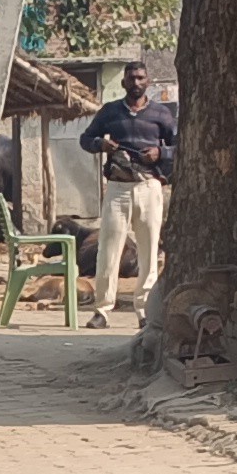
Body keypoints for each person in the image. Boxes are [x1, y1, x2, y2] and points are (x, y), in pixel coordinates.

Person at [78, 62, 175, 330]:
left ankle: (145, 311)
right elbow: (85, 139)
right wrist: (101, 144)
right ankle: (102, 311)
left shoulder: (161, 114)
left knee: (149, 250)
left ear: (148, 82)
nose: (136, 83)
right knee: (108, 250)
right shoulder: (110, 112)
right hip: (118, 188)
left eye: (141, 78)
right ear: (123, 83)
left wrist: (160, 154)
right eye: (131, 78)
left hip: (149, 187)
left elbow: (179, 144)